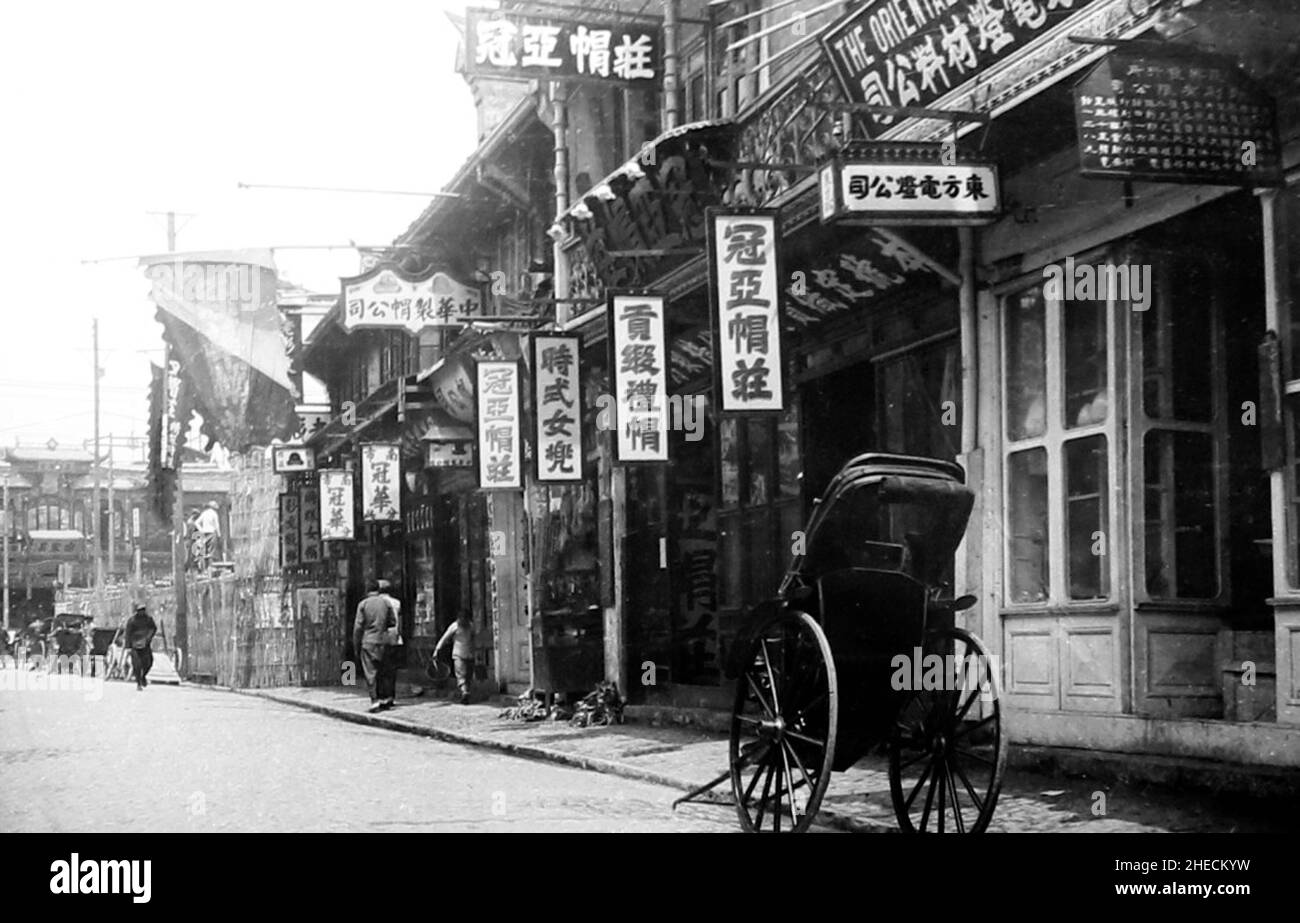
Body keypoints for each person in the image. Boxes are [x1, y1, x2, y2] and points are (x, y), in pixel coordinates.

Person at [352, 579, 398, 713]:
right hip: (384, 640)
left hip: (368, 641)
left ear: (367, 590)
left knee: (371, 672)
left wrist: (356, 644)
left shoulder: (363, 604)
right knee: (384, 670)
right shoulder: (386, 603)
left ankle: (375, 700)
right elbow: (392, 622)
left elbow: (358, 627)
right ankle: (386, 698)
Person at [434, 614, 474, 705]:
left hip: (468, 654)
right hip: (460, 654)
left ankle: (466, 692)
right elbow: (444, 638)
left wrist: (437, 650)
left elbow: (474, 638)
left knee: (466, 675)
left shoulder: (470, 626)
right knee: (462, 675)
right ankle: (465, 693)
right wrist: (437, 649)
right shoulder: (456, 626)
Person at [123, 605, 157, 691]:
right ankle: (138, 683)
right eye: (140, 610)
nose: (141, 612)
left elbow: (153, 628)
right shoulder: (132, 621)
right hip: (135, 645)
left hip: (145, 644)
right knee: (137, 665)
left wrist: (148, 637)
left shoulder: (149, 620)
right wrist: (128, 646)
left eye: (143, 610)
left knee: (149, 662)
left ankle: (143, 676)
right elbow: (128, 633)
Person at [194, 501, 221, 571]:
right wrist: (219, 534)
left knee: (203, 550)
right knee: (211, 551)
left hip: (204, 533)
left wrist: (201, 530)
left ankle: (203, 568)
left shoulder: (204, 513)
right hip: (212, 533)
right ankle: (209, 567)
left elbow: (196, 522)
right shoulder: (214, 514)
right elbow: (217, 525)